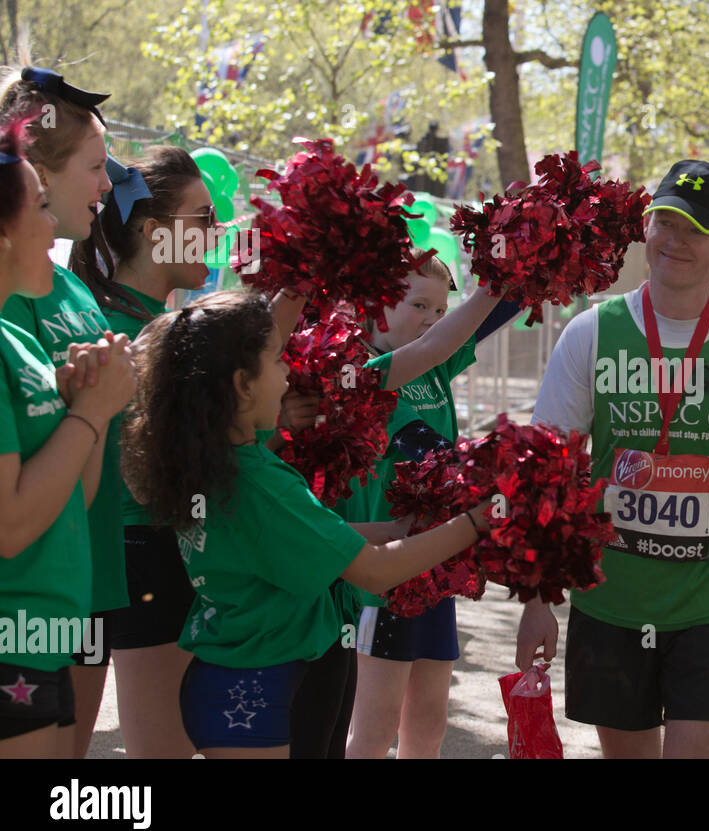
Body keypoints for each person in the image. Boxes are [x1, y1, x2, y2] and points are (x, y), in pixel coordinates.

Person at [515, 160, 709, 758]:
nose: (676, 239)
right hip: (611, 597)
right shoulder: (590, 332)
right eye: (666, 220)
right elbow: (546, 471)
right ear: (646, 224)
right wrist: (535, 601)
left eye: (696, 227)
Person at [118, 290, 491, 758]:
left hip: (235, 678)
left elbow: (318, 540)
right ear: (242, 385)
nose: (291, 371)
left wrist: (408, 527)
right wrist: (478, 521)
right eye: (277, 361)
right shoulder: (260, 483)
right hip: (254, 692)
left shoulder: (225, 466)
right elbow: (373, 570)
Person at [68, 146, 226, 757]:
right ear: (156, 231)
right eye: (203, 218)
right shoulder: (93, 320)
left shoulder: (161, 321)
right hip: (124, 552)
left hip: (139, 552)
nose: (216, 234)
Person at [341, 255, 517, 760]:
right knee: (373, 732)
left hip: (434, 569)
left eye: (440, 308)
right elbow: (424, 450)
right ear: (374, 307)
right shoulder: (365, 376)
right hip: (383, 574)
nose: (432, 319)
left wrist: (534, 243)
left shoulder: (437, 365)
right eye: (418, 304)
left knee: (429, 723)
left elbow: (496, 309)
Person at [0, 64, 127, 756]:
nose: (108, 187)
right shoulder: (13, 294)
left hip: (79, 577)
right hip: (20, 595)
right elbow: (13, 515)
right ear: (37, 178)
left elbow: (84, 458)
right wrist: (90, 409)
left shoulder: (71, 290)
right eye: (96, 167)